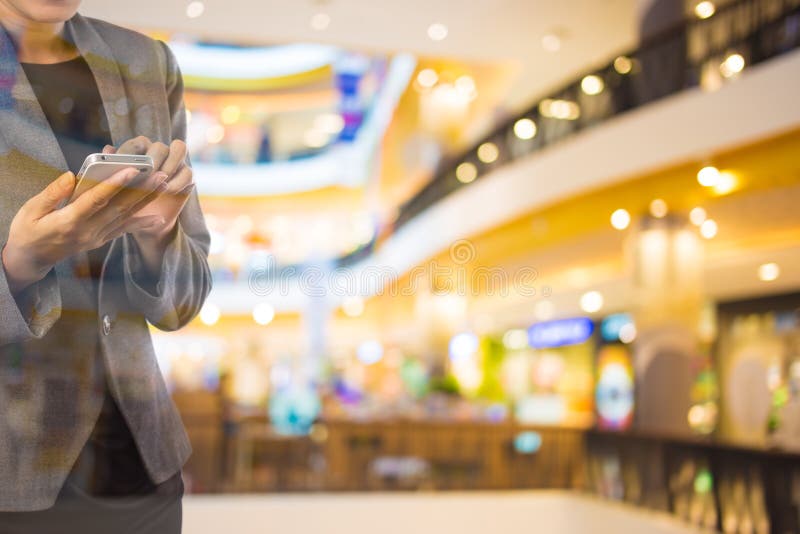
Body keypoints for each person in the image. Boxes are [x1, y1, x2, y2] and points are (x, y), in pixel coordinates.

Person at [0, 0, 211, 531]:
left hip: (141, 469)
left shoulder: (147, 62)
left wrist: (159, 235)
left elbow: (185, 300)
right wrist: (19, 266)